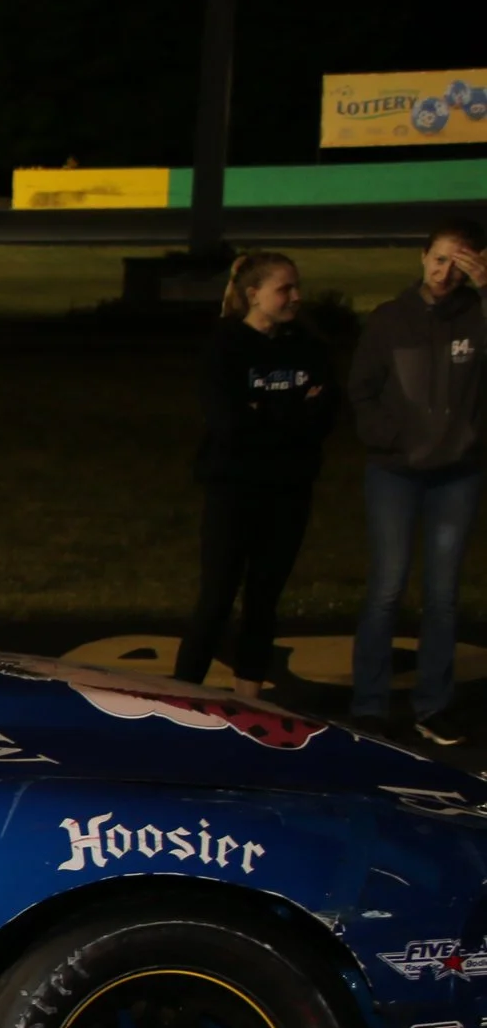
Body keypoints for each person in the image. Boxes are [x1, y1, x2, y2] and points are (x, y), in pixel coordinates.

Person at [348, 215, 487, 745]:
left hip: (458, 474)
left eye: (461, 261)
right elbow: (361, 391)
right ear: (422, 258)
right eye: (439, 257)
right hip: (395, 474)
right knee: (386, 588)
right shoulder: (389, 320)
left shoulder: (476, 318)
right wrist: (394, 441)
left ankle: (433, 707)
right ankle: (369, 706)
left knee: (443, 594)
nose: (446, 270)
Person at [173, 253, 338, 696]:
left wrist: (265, 411)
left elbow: (324, 417)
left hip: (288, 489)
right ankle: (183, 694)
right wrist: (292, 411)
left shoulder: (308, 344)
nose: (296, 297)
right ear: (253, 295)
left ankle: (250, 697)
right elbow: (228, 422)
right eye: (285, 289)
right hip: (233, 488)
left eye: (297, 286)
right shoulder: (225, 346)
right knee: (217, 599)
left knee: (264, 598)